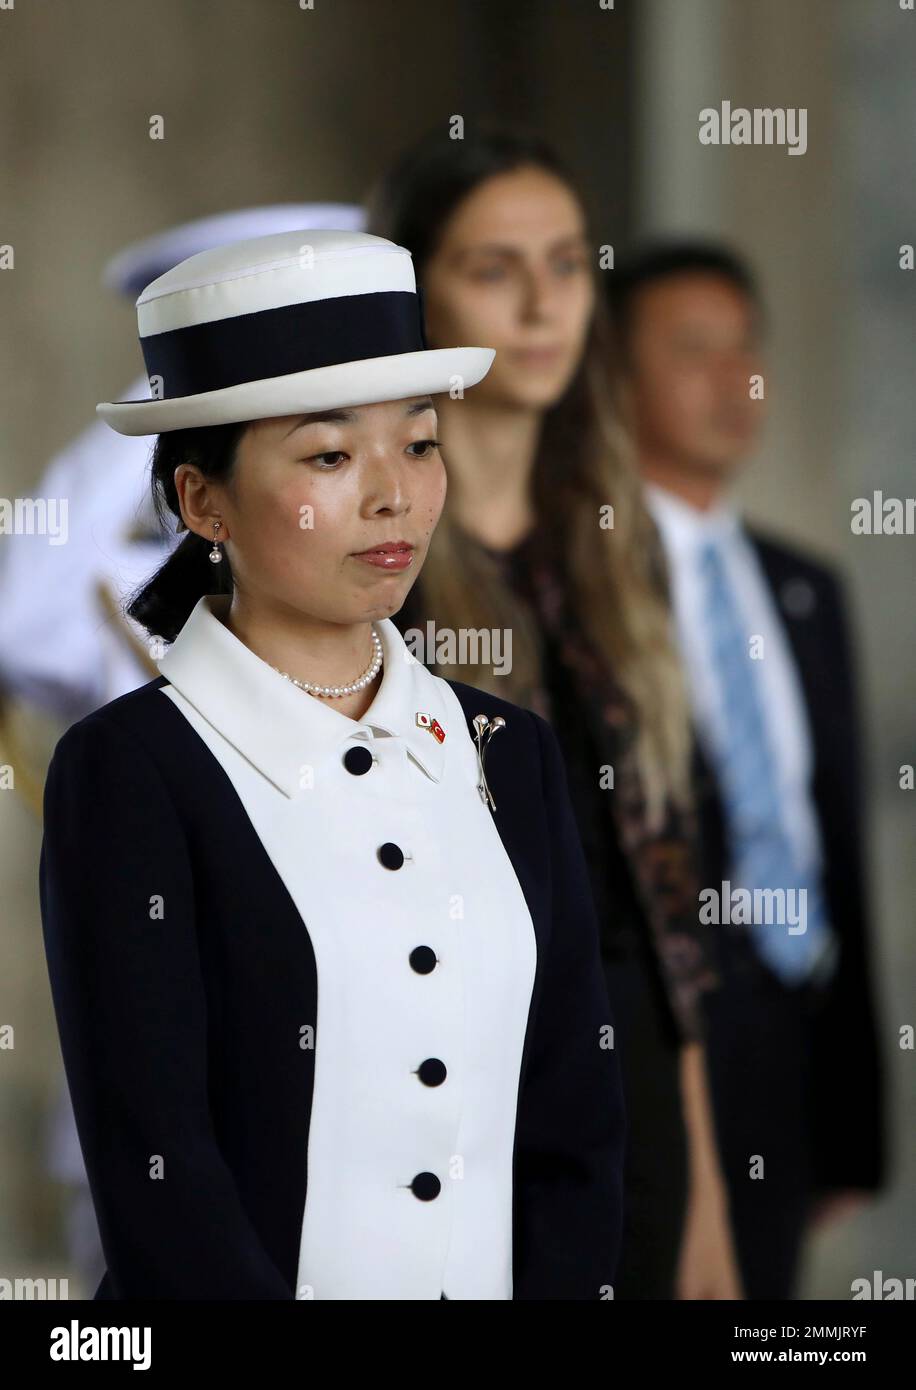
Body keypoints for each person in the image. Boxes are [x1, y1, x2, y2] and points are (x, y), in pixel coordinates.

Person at [38, 227, 625, 1301]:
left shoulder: (513, 755)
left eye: (419, 442)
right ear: (202, 501)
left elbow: (573, 1129)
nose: (392, 494)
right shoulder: (129, 771)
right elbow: (159, 1177)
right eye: (327, 455)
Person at [367, 128, 740, 1299]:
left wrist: (709, 1191)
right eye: (493, 268)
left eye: (568, 263)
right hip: (454, 1088)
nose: (540, 306)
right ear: (414, 286)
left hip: (632, 1078)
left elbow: (664, 907)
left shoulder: (620, 547)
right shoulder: (380, 562)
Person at [607, 240, 887, 1298]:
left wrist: (853, 1120)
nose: (734, 382)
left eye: (746, 350)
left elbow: (833, 851)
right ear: (613, 379)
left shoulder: (802, 585)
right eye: (692, 350)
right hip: (654, 1046)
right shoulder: (583, 577)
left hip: (789, 1045)